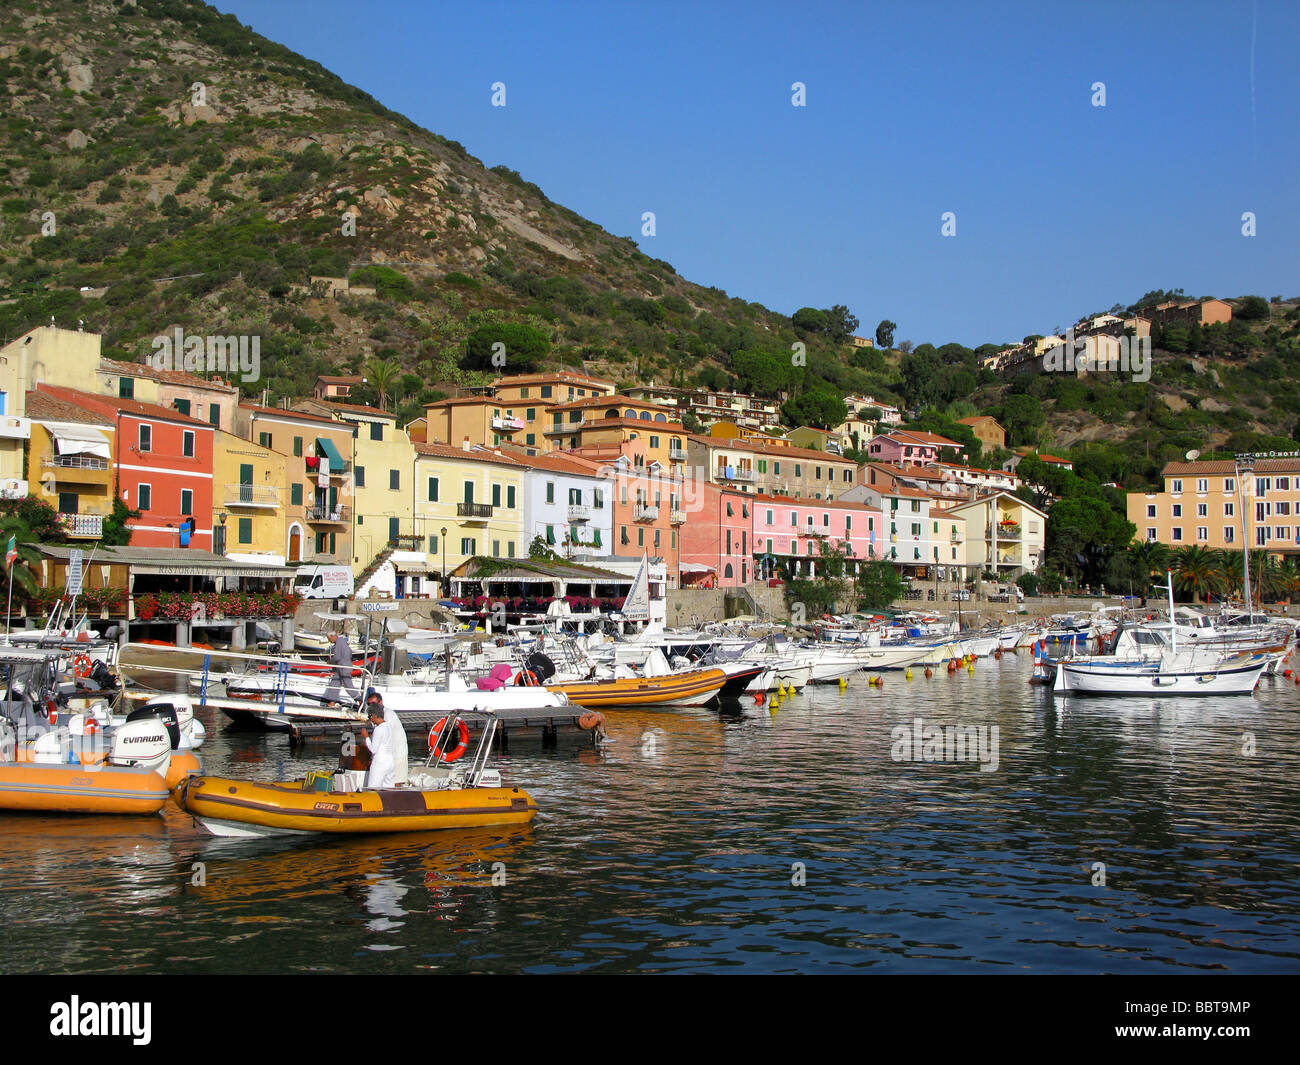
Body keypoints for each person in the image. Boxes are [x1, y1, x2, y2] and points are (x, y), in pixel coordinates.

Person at [360, 690, 407, 789]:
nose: (370, 706)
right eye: (368, 704)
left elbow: (376, 744)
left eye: (372, 703)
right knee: (389, 784)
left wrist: (366, 737)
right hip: (388, 757)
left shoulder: (387, 716)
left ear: (380, 702)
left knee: (396, 781)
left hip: (397, 751)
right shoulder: (381, 721)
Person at [328, 632, 359, 703]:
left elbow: (337, 657)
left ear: (333, 636)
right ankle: (331, 701)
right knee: (334, 683)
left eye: (329, 638)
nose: (329, 641)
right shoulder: (342, 642)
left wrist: (331, 661)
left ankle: (359, 699)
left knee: (348, 685)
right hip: (341, 667)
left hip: (343, 667)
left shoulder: (339, 643)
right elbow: (349, 652)